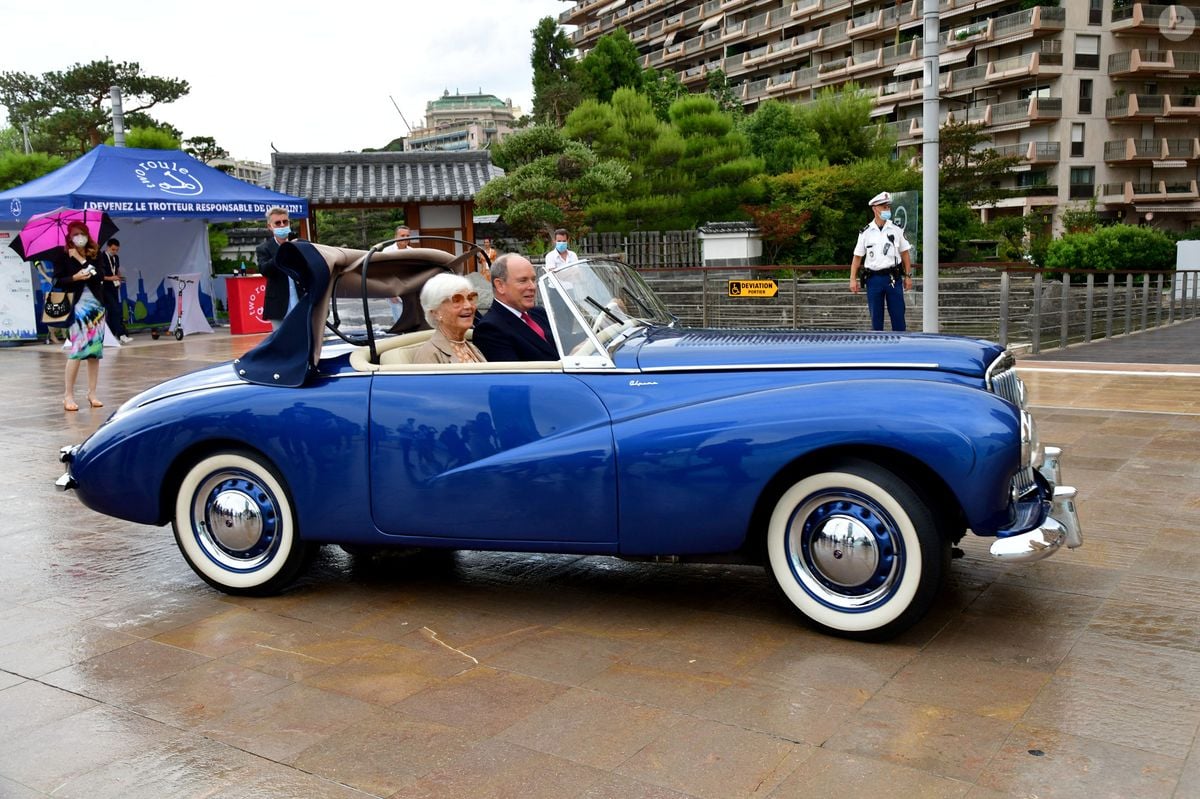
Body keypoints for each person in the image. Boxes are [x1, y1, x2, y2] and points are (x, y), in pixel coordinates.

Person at [53, 221, 108, 411]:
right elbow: (58, 280)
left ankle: (92, 393)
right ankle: (68, 395)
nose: (79, 237)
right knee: (77, 350)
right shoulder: (62, 255)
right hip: (76, 306)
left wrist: (80, 259)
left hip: (96, 306)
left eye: (82, 233)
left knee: (94, 352)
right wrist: (74, 277)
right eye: (75, 234)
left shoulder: (95, 253)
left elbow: (99, 276)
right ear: (69, 236)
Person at [473, 253, 558, 361]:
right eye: (523, 281)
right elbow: (513, 371)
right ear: (500, 285)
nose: (532, 286)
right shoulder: (490, 329)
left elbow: (566, 342)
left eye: (533, 279)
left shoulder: (539, 313)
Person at [849, 191, 914, 331]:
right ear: (875, 209)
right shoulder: (866, 232)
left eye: (888, 207)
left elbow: (905, 254)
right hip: (874, 279)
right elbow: (857, 257)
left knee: (898, 316)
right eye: (884, 207)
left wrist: (908, 276)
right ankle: (878, 344)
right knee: (876, 319)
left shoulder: (896, 229)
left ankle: (900, 343)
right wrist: (852, 279)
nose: (887, 210)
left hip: (893, 278)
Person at [411, 274, 487, 365]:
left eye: (470, 298)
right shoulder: (428, 354)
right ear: (435, 312)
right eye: (457, 300)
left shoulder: (472, 349)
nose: (468, 306)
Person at [255, 207, 300, 330]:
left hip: (301, 301)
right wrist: (282, 251)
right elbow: (265, 270)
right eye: (277, 223)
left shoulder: (300, 244)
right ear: (270, 226)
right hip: (278, 306)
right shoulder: (264, 248)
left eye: (285, 222)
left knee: (303, 338)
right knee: (281, 340)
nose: (282, 225)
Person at [98, 238, 131, 343]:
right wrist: (110, 278)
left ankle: (111, 335)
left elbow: (116, 270)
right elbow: (98, 275)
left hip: (114, 287)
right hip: (104, 287)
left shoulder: (116, 257)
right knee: (115, 309)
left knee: (113, 311)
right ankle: (121, 334)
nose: (115, 252)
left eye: (117, 250)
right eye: (113, 249)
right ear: (108, 247)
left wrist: (119, 279)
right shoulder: (101, 257)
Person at [385, 225, 411, 323]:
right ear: (396, 237)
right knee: (400, 321)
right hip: (394, 291)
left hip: (409, 289)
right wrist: (390, 293)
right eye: (402, 235)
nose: (405, 238)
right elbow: (383, 273)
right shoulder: (387, 251)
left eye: (407, 236)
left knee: (410, 319)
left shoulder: (412, 251)